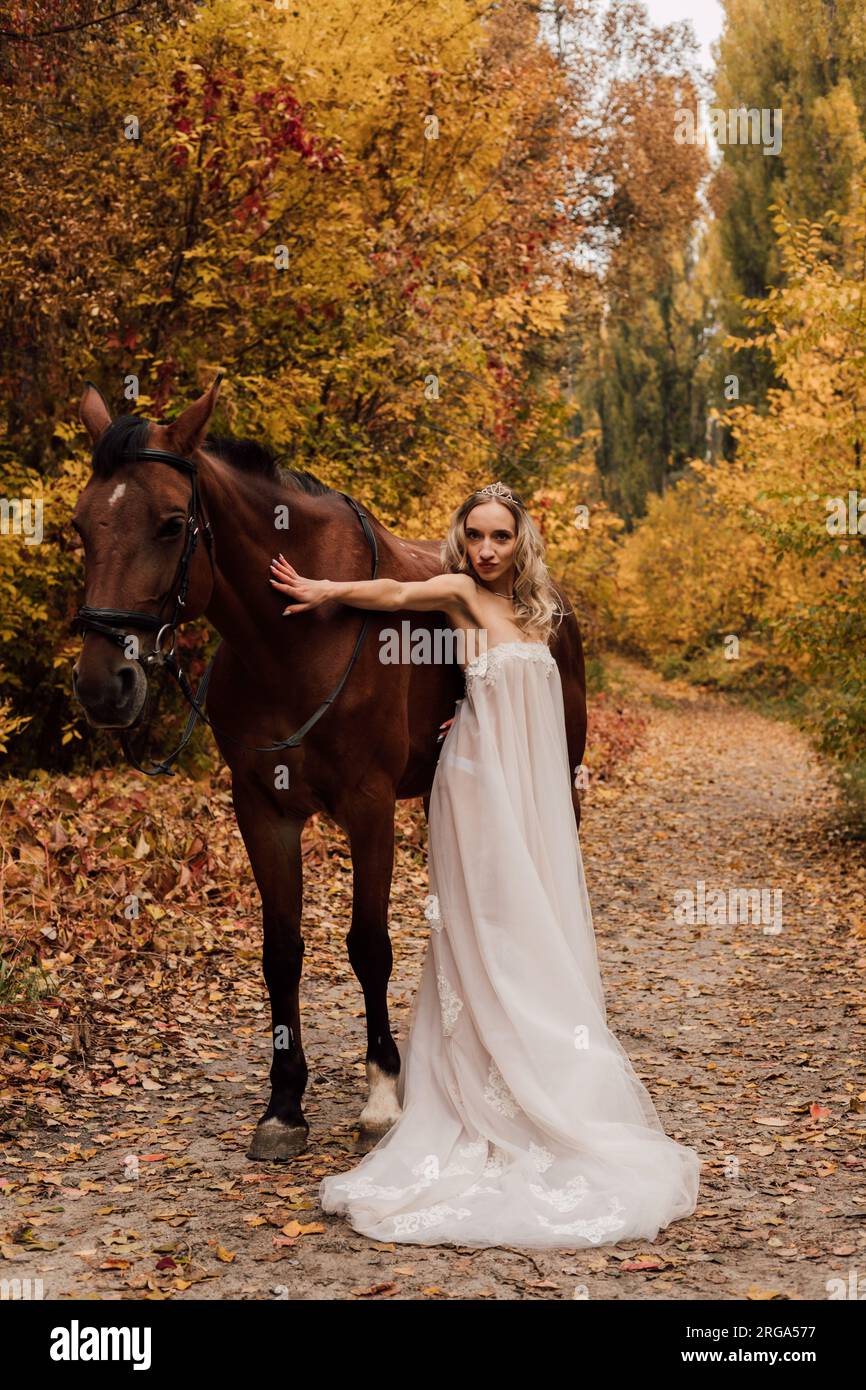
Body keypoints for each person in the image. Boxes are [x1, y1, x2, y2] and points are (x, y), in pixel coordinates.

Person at [267, 481, 700, 1249]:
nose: (488, 550)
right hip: (473, 785)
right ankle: (470, 1091)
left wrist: (570, 778)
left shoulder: (540, 611)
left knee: (537, 926)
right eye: (477, 536)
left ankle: (542, 1078)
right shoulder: (460, 594)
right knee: (485, 929)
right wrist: (322, 586)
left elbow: (557, 705)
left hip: (527, 794)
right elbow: (395, 590)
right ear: (462, 541)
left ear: (520, 540)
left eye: (501, 537)